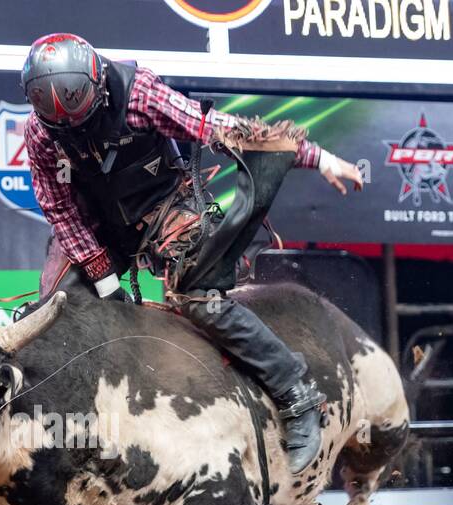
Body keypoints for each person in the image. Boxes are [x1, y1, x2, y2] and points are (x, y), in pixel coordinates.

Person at [20, 33, 364, 473]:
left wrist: (317, 158)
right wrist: (104, 277)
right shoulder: (40, 132)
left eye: (76, 110)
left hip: (164, 210)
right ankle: (75, 432)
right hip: (97, 225)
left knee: (204, 301)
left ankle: (295, 392)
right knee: (58, 310)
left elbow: (221, 130)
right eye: (52, 113)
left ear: (99, 83)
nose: (68, 125)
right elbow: (59, 207)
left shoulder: (139, 93)